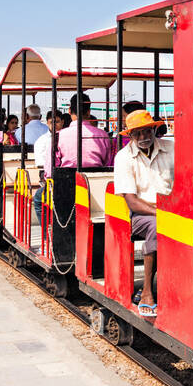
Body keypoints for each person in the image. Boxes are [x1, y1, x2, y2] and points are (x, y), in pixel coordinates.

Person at [113, 110, 174, 314]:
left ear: (154, 129)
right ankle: (147, 289)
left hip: (172, 210)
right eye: (137, 134)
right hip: (141, 215)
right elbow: (131, 201)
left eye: (147, 132)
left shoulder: (171, 148)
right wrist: (161, 213)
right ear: (130, 136)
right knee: (157, 227)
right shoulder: (123, 157)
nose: (143, 138)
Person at [55, 94, 116, 168]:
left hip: (66, 178)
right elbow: (107, 161)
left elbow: (52, 166)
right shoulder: (103, 135)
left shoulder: (59, 136)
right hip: (96, 178)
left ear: (69, 110)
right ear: (89, 112)